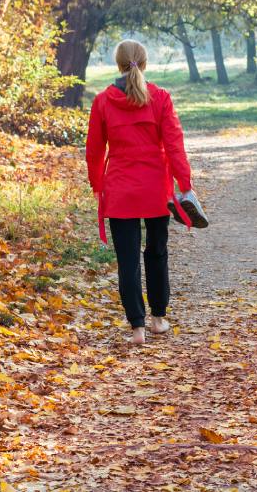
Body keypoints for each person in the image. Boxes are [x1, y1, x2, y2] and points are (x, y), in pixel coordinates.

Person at [85, 39, 196, 345]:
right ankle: (158, 319)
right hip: (155, 189)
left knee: (128, 260)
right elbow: (175, 145)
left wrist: (98, 184)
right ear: (144, 64)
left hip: (120, 190)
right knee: (157, 253)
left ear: (118, 64)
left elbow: (94, 151)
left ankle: (137, 329)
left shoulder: (103, 102)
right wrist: (184, 186)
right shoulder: (160, 98)